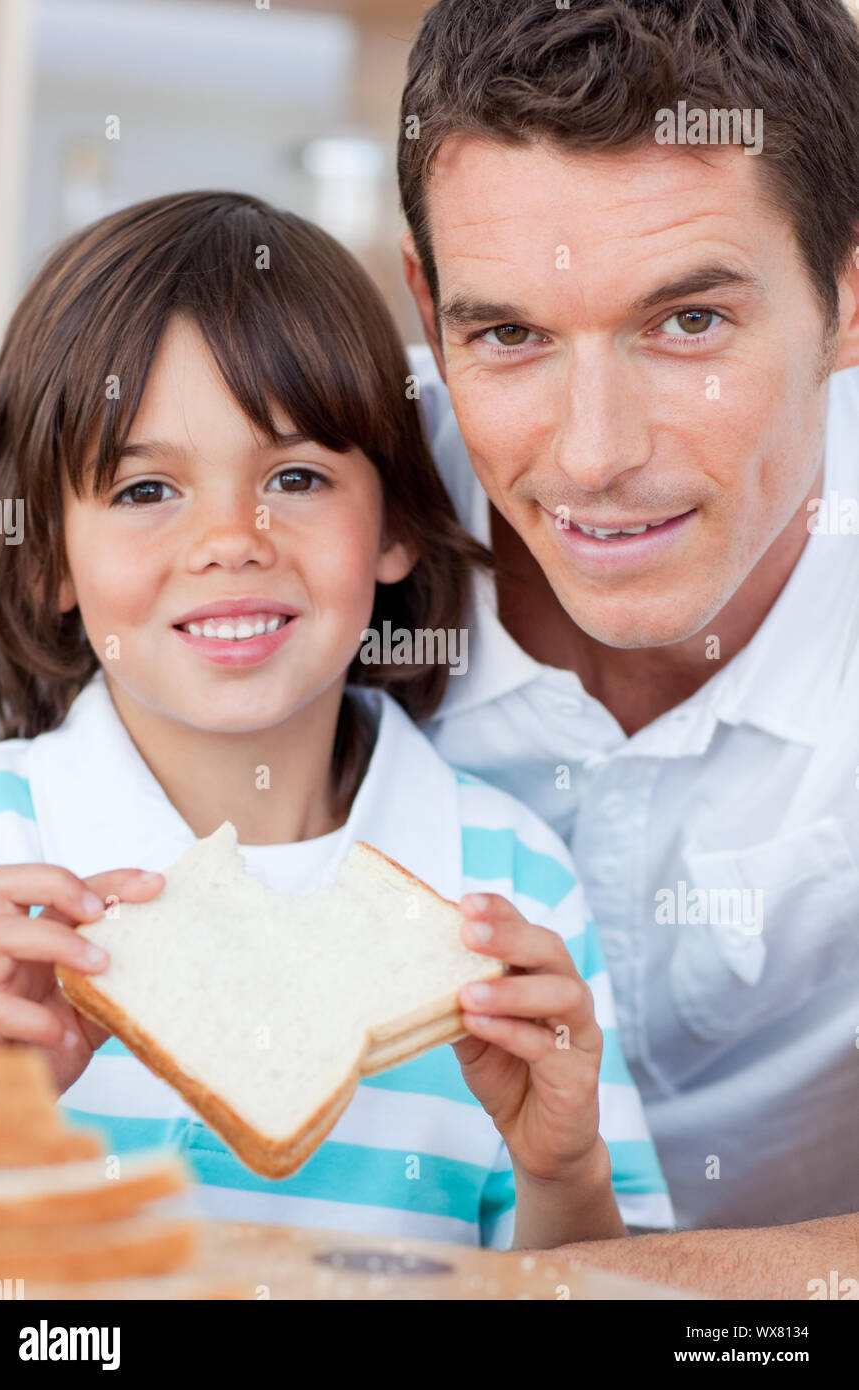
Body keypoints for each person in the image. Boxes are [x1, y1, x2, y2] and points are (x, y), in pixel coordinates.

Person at [0, 190, 671, 1249]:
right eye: (145, 489)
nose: (230, 540)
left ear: (392, 524)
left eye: (294, 477)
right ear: (46, 559)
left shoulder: (511, 883)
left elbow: (612, 1291)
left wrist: (561, 1167)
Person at [394, 0, 859, 1295]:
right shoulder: (307, 535)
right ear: (427, 309)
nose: (593, 454)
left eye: (688, 322)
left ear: (845, 292)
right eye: (508, 335)